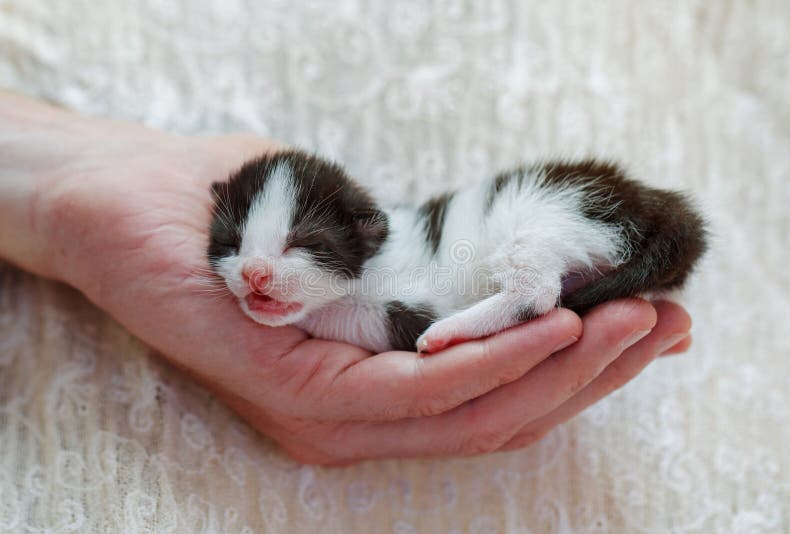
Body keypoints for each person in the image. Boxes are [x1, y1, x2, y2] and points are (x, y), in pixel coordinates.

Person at [0, 91, 692, 464]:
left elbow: (404, 317)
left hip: (580, 225)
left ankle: (524, 297)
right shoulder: (338, 282)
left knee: (525, 221)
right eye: (234, 243)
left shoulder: (394, 267)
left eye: (299, 243)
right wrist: (77, 197)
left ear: (369, 236)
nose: (256, 268)